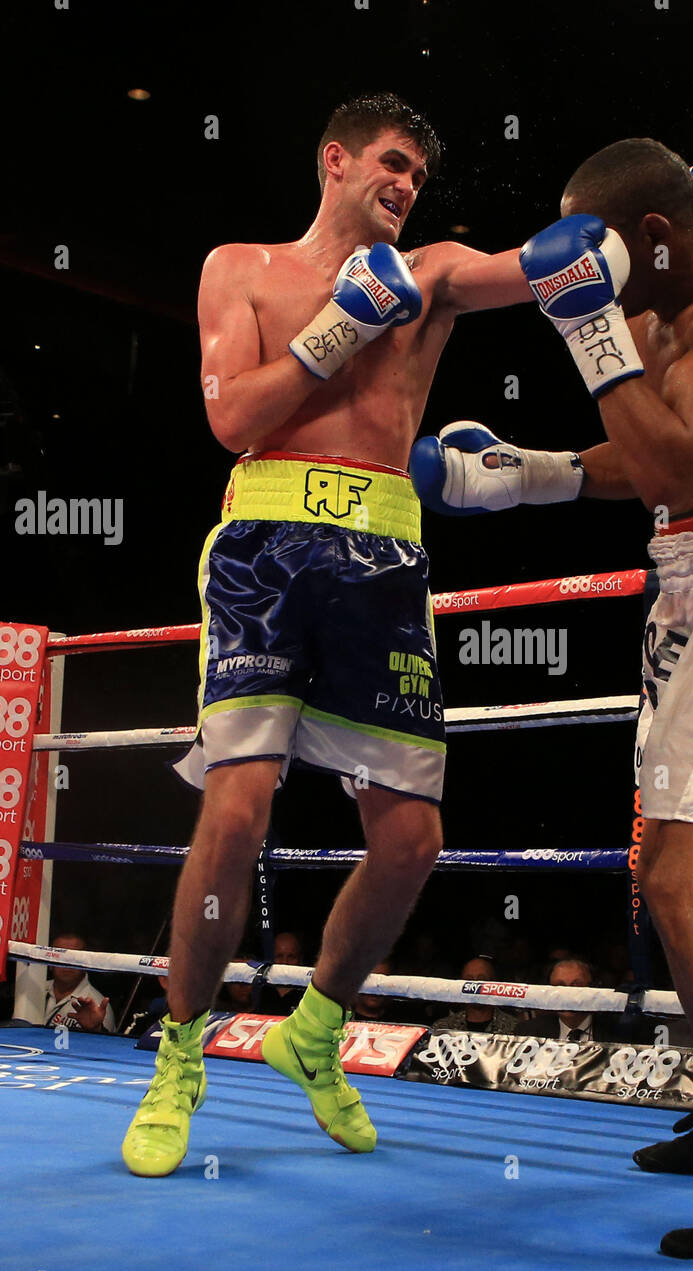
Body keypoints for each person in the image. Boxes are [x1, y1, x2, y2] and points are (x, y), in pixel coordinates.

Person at [411, 141, 693, 1260]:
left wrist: (586, 330)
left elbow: (676, 464)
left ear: (655, 236)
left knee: (687, 873)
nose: (595, 276)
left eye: (605, 250)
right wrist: (535, 472)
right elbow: (649, 452)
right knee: (660, 872)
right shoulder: (664, 317)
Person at [121, 92, 534, 1178]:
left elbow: (542, 267)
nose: (404, 185)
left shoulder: (435, 270)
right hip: (265, 548)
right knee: (239, 810)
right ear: (335, 159)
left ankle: (316, 1027)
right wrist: (340, 323)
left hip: (384, 558)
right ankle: (180, 1054)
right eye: (391, 163)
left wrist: (630, 229)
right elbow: (232, 418)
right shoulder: (241, 268)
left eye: (419, 177)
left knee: (411, 841)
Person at [22, 932, 115, 1034]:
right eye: (60, 956)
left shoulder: (96, 1005)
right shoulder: (34, 990)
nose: (67, 963)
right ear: (49, 961)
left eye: (74, 957)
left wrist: (95, 1029)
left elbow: (102, 1048)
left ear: (86, 963)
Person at [433, 957, 520, 1035]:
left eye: (481, 979)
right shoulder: (443, 1029)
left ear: (494, 983)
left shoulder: (514, 1029)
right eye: (469, 980)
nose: (475, 986)